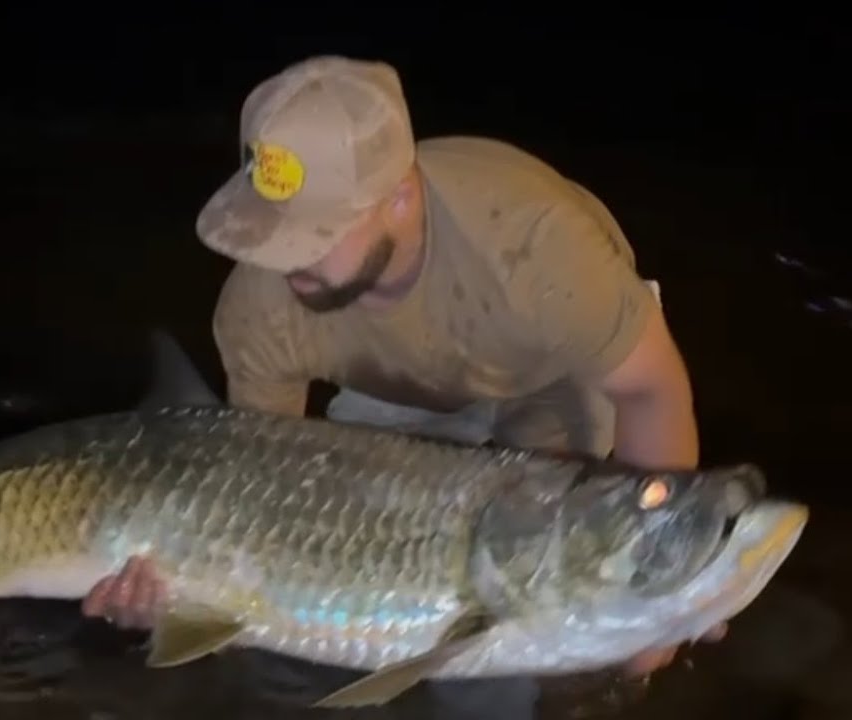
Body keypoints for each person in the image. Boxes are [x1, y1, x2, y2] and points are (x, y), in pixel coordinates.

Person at [81, 54, 725, 707]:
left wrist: (660, 605)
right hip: (393, 381)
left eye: (316, 231)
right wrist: (183, 592)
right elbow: (264, 486)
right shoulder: (259, 302)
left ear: (400, 198)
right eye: (273, 223)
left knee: (545, 612)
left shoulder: (543, 251)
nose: (283, 256)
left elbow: (651, 391)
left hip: (548, 374)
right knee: (321, 618)